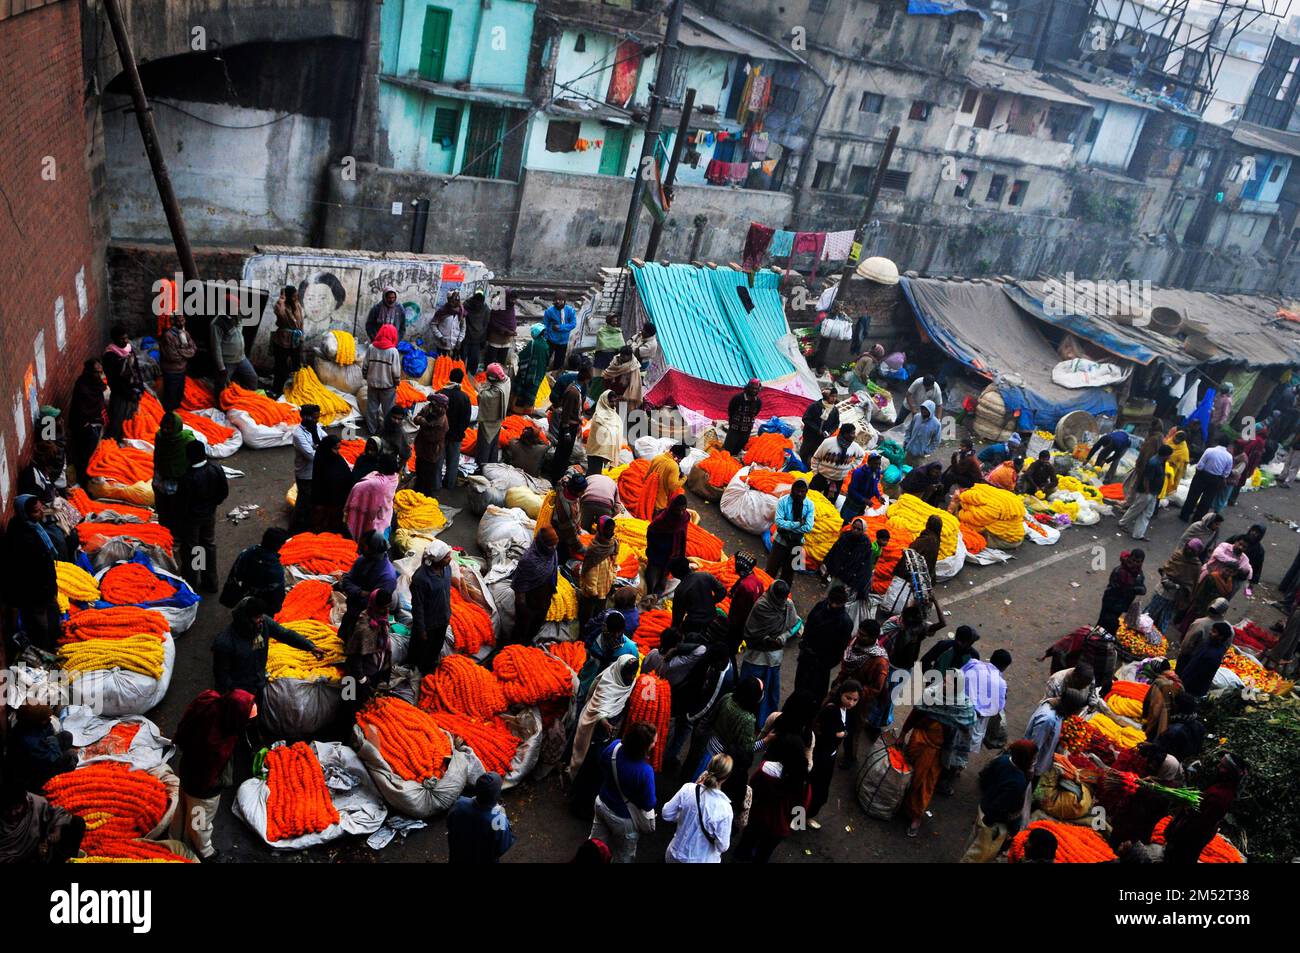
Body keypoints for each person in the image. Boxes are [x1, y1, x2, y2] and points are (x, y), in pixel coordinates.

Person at [171, 688, 257, 861]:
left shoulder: (210, 706)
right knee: (199, 821)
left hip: (187, 771)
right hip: (202, 788)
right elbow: (210, 772)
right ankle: (203, 851)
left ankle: (176, 839)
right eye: (246, 720)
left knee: (183, 808)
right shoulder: (216, 744)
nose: (246, 724)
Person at [213, 596, 324, 697]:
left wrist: (310, 646)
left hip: (258, 684)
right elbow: (221, 675)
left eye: (261, 615)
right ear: (245, 618)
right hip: (240, 693)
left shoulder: (263, 624)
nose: (261, 619)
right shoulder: (225, 643)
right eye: (257, 617)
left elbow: (285, 634)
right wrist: (234, 694)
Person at [735, 734, 811, 862]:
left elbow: (752, 788)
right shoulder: (803, 782)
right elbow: (802, 809)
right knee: (763, 855)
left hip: (757, 817)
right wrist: (793, 825)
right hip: (778, 828)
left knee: (745, 846)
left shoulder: (765, 768)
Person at [568, 656, 639, 793]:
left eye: (633, 674)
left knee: (597, 759)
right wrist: (605, 722)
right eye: (628, 674)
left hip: (608, 728)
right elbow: (598, 704)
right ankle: (576, 780)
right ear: (620, 671)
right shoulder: (608, 681)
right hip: (594, 723)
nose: (631, 677)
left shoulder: (630, 680)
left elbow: (623, 701)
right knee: (586, 753)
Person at [959, 739, 1037, 863]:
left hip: (984, 807)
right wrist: (1011, 827)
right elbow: (1004, 806)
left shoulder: (1003, 760)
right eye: (1033, 758)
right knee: (979, 854)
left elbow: (984, 777)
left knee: (973, 841)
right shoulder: (1018, 781)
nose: (1034, 761)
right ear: (1026, 759)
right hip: (993, 822)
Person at [591, 721, 657, 863]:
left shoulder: (615, 747)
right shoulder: (645, 772)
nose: (654, 744)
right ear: (644, 747)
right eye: (653, 742)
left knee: (594, 848)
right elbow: (649, 803)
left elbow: (602, 763)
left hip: (602, 803)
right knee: (623, 856)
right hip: (623, 820)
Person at [1162, 753, 1243, 864]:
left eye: (1223, 766)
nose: (1218, 766)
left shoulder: (1221, 796)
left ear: (1230, 773)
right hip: (1192, 836)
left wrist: (1187, 811)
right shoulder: (1221, 787)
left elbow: (1200, 823)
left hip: (1189, 838)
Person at [739, 580, 797, 725]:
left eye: (783, 599)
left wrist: (782, 637)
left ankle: (764, 721)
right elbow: (750, 632)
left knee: (770, 691)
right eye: (779, 599)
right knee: (750, 689)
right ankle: (741, 718)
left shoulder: (788, 605)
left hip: (774, 658)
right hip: (756, 656)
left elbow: (795, 624)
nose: (781, 603)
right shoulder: (761, 606)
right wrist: (766, 639)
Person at [175, 441, 228, 593]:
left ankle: (192, 583)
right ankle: (210, 582)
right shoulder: (216, 468)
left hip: (192, 519)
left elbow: (182, 503)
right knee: (208, 545)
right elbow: (223, 492)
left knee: (194, 548)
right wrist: (212, 505)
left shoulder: (187, 478)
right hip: (209, 514)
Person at [662, 754, 734, 863]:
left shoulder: (688, 789)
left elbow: (666, 813)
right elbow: (722, 846)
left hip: (674, 854)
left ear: (708, 767)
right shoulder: (725, 809)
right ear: (726, 777)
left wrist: (684, 817)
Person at [807, 680, 861, 825]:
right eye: (848, 698)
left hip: (829, 755)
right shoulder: (832, 709)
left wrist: (841, 734)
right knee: (811, 788)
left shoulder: (847, 711)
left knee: (820, 790)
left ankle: (806, 816)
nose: (851, 703)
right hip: (819, 755)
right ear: (841, 694)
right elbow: (824, 733)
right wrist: (840, 734)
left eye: (855, 700)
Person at [0, 776, 85, 863]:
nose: (13, 813)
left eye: (17, 808)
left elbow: (57, 813)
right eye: (8, 810)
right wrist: (35, 853)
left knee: (76, 822)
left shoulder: (35, 803)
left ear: (25, 804)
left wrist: (57, 831)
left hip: (43, 849)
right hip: (21, 859)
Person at [794, 585, 854, 700]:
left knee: (815, 695)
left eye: (837, 603)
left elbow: (840, 649)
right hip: (806, 656)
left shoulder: (845, 622)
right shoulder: (820, 607)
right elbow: (809, 625)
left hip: (822, 665)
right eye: (832, 601)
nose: (834, 605)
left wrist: (825, 664)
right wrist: (804, 641)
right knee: (799, 687)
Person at [335, 531, 398, 640]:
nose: (359, 549)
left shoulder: (387, 576)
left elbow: (372, 603)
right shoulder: (362, 560)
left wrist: (355, 592)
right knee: (342, 640)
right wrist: (360, 592)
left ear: (373, 548)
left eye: (364, 546)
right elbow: (347, 580)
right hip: (351, 612)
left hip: (367, 622)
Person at [446, 772, 515, 864]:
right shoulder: (498, 820)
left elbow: (449, 824)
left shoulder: (460, 804)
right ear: (497, 795)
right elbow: (502, 847)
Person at [343, 588, 394, 711]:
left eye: (388, 607)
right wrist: (363, 680)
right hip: (356, 677)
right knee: (349, 705)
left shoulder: (382, 622)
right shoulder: (363, 628)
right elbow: (354, 657)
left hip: (372, 674)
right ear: (375, 605)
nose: (386, 610)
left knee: (365, 707)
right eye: (383, 607)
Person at [1023, 688, 1090, 782]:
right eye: (1076, 711)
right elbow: (1034, 746)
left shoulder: (1057, 709)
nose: (1075, 715)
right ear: (1069, 707)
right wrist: (1030, 769)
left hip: (1041, 762)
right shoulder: (1048, 720)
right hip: (1031, 764)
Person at [409, 540, 453, 674]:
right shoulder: (421, 578)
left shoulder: (447, 569)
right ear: (438, 560)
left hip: (442, 619)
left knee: (435, 649)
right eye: (447, 557)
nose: (450, 559)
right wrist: (421, 630)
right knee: (420, 651)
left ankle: (428, 670)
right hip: (428, 624)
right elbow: (418, 606)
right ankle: (415, 672)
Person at [223, 528, 290, 615]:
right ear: (278, 546)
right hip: (259, 605)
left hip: (241, 595)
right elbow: (277, 596)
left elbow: (235, 574)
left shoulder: (246, 553)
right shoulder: (275, 570)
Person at [511, 529, 559, 647]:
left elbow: (553, 572)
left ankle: (527, 645)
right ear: (543, 544)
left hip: (544, 600)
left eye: (554, 545)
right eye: (550, 545)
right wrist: (522, 608)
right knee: (520, 632)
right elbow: (520, 586)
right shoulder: (528, 560)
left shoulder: (551, 553)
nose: (553, 548)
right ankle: (514, 650)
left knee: (535, 628)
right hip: (528, 604)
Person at [152, 411, 195, 537]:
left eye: (169, 427)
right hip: (161, 477)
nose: (165, 430)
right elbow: (157, 456)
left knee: (177, 510)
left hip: (179, 480)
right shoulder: (159, 436)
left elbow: (193, 462)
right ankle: (165, 534)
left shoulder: (188, 440)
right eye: (164, 426)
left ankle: (177, 535)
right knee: (163, 509)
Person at [1146, 539, 1203, 632]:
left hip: (1175, 596)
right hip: (1162, 590)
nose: (1188, 551)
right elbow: (1166, 568)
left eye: (1192, 550)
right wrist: (1165, 579)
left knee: (1163, 619)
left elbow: (1192, 585)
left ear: (1197, 553)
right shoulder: (1178, 555)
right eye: (1187, 548)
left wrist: (1177, 587)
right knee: (1150, 613)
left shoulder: (1196, 566)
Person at [1118, 444, 1173, 540]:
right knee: (1136, 509)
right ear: (1166, 455)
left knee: (1147, 513)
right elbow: (1146, 479)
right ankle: (1122, 523)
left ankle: (1138, 534)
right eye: (1170, 455)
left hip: (1153, 492)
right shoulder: (1154, 463)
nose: (1170, 457)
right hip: (1146, 492)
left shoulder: (1161, 461)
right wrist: (1147, 492)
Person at [547, 363, 590, 481]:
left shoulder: (577, 387)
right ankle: (556, 477)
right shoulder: (573, 392)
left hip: (570, 424)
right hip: (567, 425)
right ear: (586, 377)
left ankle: (556, 474)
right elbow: (566, 412)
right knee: (562, 453)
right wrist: (566, 430)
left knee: (564, 452)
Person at [767, 478, 815, 584]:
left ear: (806, 492)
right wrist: (798, 524)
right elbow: (779, 522)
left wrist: (788, 526)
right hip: (780, 541)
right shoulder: (783, 501)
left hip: (798, 543)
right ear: (792, 489)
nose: (799, 494)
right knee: (771, 570)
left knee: (789, 575)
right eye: (797, 490)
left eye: (802, 491)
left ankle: (784, 596)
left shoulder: (810, 505)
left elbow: (808, 527)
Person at [344, 453, 400, 544]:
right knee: (381, 540)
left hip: (376, 519)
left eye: (380, 463)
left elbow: (357, 488)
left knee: (374, 542)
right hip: (386, 513)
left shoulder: (378, 483)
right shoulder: (394, 478)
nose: (377, 465)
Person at [102, 324, 144, 439]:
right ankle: (115, 439)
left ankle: (127, 437)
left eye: (126, 338)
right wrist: (128, 393)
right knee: (118, 419)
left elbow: (136, 369)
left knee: (131, 418)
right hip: (120, 392)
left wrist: (140, 386)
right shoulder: (110, 356)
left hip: (133, 389)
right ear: (115, 339)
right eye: (122, 339)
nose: (125, 341)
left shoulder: (129, 349)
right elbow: (114, 380)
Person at [578, 516, 619, 632]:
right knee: (587, 616)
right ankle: (583, 636)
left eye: (612, 529)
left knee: (599, 616)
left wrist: (612, 582)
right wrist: (593, 592)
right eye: (607, 529)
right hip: (592, 593)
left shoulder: (613, 544)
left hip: (604, 589)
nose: (610, 532)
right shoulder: (594, 549)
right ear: (601, 530)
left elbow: (614, 564)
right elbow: (590, 572)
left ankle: (593, 636)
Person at [68, 359, 107, 482]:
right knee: (84, 454)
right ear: (88, 372)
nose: (99, 375)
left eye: (101, 372)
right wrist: (87, 424)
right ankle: (83, 478)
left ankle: (88, 474)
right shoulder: (83, 386)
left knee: (91, 452)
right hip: (84, 426)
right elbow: (81, 409)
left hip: (94, 423)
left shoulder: (94, 382)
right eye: (96, 372)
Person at [1179, 436, 1234, 522]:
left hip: (1202, 475)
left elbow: (1200, 465)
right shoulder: (1229, 457)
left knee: (1193, 496)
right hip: (1216, 479)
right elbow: (1226, 473)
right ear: (1227, 445)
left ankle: (1185, 515)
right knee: (1207, 500)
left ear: (1218, 441)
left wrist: (1199, 472)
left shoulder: (1209, 450)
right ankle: (1197, 519)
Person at [290, 404, 326, 532]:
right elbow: (311, 455)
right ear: (305, 417)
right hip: (305, 474)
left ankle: (306, 525)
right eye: (314, 418)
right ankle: (296, 528)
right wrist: (320, 447)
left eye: (318, 418)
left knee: (309, 502)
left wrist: (318, 446)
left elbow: (326, 440)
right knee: (304, 503)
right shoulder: (298, 435)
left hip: (316, 472)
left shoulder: (316, 427)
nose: (317, 421)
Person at [644, 494, 690, 596]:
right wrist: (657, 548)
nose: (681, 513)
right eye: (678, 510)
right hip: (658, 552)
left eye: (683, 509)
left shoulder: (685, 517)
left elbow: (683, 534)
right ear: (673, 508)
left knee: (664, 574)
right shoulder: (662, 520)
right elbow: (651, 532)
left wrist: (680, 552)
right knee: (652, 575)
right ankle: (649, 593)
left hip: (673, 553)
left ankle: (659, 591)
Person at [669, 557, 726, 636]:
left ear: (675, 574)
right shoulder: (705, 575)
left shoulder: (680, 590)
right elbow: (722, 591)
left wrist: (672, 632)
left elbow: (677, 618)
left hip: (694, 626)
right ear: (688, 565)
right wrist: (710, 602)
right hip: (712, 619)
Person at [309, 435, 354, 534]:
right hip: (325, 500)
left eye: (338, 448)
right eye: (335, 448)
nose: (337, 452)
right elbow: (322, 483)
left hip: (336, 501)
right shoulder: (322, 460)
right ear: (328, 447)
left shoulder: (337, 459)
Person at [810, 424, 864, 505]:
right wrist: (815, 472)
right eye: (852, 433)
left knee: (828, 503)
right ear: (845, 434)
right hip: (821, 477)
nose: (854, 436)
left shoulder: (854, 446)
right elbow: (816, 457)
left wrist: (851, 467)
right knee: (811, 497)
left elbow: (861, 455)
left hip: (837, 481)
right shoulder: (829, 442)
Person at [363, 324, 402, 435]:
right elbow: (396, 371)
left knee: (372, 408)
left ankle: (372, 431)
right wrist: (397, 382)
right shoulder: (393, 351)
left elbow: (365, 366)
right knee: (388, 411)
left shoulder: (371, 348)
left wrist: (367, 377)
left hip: (372, 384)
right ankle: (387, 432)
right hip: (387, 386)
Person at [1178, 621, 1234, 697]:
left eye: (1214, 632)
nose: (1210, 632)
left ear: (1221, 637)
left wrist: (1184, 683)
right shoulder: (1209, 643)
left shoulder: (1214, 655)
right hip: (1187, 679)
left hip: (1193, 687)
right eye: (1212, 630)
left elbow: (1199, 675)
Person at [1097, 549, 1145, 636]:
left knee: (1109, 623)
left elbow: (1141, 584)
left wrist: (1140, 588)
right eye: (1133, 560)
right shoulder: (1119, 571)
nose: (1134, 563)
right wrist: (1135, 589)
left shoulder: (1138, 572)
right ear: (1130, 558)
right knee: (1104, 622)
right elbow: (1120, 589)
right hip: (1111, 602)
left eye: (1138, 562)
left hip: (1122, 604)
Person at [725, 552, 765, 653]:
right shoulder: (757, 581)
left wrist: (730, 623)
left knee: (731, 644)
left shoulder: (745, 586)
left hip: (740, 624)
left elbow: (738, 611)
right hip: (750, 619)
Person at [158, 313, 197, 412]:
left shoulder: (185, 333)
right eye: (178, 320)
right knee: (170, 399)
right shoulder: (168, 336)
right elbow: (172, 356)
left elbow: (193, 349)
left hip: (181, 371)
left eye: (183, 320)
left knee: (179, 396)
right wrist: (185, 353)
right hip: (171, 372)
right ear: (173, 322)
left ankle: (176, 416)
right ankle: (169, 416)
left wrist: (180, 351)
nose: (181, 322)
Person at [209, 311, 258, 392]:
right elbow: (216, 347)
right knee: (222, 387)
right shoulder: (217, 323)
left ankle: (245, 399)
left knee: (252, 379)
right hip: (227, 361)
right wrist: (221, 368)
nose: (238, 310)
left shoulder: (238, 316)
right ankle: (219, 402)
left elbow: (248, 315)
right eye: (235, 308)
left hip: (241, 358)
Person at [1120, 421, 1165, 504]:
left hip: (1144, 466)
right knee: (1134, 485)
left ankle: (1129, 504)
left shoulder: (1153, 439)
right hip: (1148, 466)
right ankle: (1129, 503)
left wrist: (1140, 467)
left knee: (1135, 485)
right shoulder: (1160, 437)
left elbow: (1147, 454)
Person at [271, 285, 305, 396]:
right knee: (280, 367)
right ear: (288, 297)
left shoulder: (297, 305)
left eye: (296, 296)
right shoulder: (281, 306)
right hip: (282, 341)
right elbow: (279, 312)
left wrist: (301, 337)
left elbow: (301, 322)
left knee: (296, 366)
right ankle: (277, 390)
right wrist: (282, 299)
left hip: (296, 340)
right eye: (293, 296)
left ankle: (296, 389)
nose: (296, 298)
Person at [413, 394, 449, 494]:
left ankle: (426, 495)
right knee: (419, 471)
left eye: (435, 405)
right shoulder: (428, 408)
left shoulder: (442, 421)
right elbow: (416, 419)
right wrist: (421, 420)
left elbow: (433, 438)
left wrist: (424, 426)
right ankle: (418, 491)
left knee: (428, 476)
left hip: (432, 451)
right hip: (421, 448)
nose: (432, 406)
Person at [639, 444, 686, 520]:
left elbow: (646, 477)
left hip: (646, 500)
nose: (680, 461)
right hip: (658, 505)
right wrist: (684, 478)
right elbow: (673, 487)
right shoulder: (674, 466)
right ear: (679, 457)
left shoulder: (657, 457)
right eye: (681, 459)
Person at [475, 363, 510, 466]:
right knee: (494, 444)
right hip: (497, 420)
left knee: (484, 446)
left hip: (488, 422)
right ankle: (492, 464)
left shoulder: (496, 392)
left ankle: (482, 468)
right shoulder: (507, 381)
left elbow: (482, 397)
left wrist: (480, 389)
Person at [442, 369, 473, 487]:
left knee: (439, 459)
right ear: (462, 380)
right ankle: (450, 484)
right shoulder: (465, 397)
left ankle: (435, 485)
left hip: (442, 434)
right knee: (453, 462)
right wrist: (461, 430)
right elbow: (466, 418)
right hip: (457, 435)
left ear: (449, 377)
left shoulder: (442, 393)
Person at [584, 390, 623, 475]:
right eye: (611, 401)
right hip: (596, 452)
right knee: (593, 473)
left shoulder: (614, 416)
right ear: (605, 401)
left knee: (597, 474)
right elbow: (603, 434)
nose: (613, 404)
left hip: (605, 452)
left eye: (614, 401)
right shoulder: (598, 416)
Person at [800, 388, 841, 469]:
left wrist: (829, 432)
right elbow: (805, 418)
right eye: (832, 396)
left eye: (835, 397)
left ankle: (809, 470)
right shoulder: (815, 406)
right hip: (809, 436)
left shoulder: (834, 411)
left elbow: (836, 424)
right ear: (826, 396)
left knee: (815, 457)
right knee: (804, 454)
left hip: (821, 439)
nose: (834, 399)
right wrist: (817, 429)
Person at [513, 324, 549, 411]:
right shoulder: (546, 345)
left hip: (529, 372)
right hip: (539, 374)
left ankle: (515, 407)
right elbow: (547, 360)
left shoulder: (533, 343)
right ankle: (528, 408)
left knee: (519, 387)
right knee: (532, 391)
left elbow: (523, 355)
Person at [1227, 427, 1267, 506]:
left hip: (1245, 462)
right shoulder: (1261, 442)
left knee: (1236, 480)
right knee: (1239, 481)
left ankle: (1229, 499)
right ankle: (1231, 499)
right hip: (1249, 464)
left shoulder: (1255, 439)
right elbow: (1256, 456)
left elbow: (1248, 449)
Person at [723, 379, 763, 455]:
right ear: (748, 387)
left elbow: (755, 413)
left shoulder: (758, 402)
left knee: (738, 449)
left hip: (746, 430)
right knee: (727, 449)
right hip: (734, 428)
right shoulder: (738, 398)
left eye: (756, 389)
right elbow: (731, 410)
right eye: (752, 388)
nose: (754, 390)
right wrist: (732, 423)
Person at [1225, 524, 1267, 594]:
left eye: (1257, 533)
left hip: (1238, 577)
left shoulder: (1259, 550)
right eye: (1253, 530)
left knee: (1227, 594)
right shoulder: (1238, 538)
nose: (1254, 533)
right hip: (1225, 569)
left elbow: (1257, 567)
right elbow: (1224, 546)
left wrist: (1252, 582)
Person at [841, 453, 883, 521]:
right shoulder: (858, 473)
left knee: (855, 521)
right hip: (853, 502)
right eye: (875, 464)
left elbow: (874, 486)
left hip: (863, 504)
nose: (878, 466)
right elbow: (852, 490)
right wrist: (864, 499)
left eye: (879, 464)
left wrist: (878, 496)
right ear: (869, 463)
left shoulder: (876, 472)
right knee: (845, 520)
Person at [484, 291, 518, 371]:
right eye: (512, 299)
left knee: (501, 363)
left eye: (514, 300)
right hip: (496, 338)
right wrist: (505, 330)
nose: (513, 302)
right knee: (491, 362)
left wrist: (511, 331)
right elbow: (493, 321)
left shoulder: (510, 307)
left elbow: (510, 319)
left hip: (506, 340)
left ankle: (498, 377)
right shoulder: (498, 305)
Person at [542, 293, 577, 369]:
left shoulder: (570, 310)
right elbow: (545, 325)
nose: (558, 302)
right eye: (556, 300)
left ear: (564, 301)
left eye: (560, 300)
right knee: (545, 360)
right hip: (551, 340)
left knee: (559, 363)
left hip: (563, 341)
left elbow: (573, 324)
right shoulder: (549, 311)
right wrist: (545, 338)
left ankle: (555, 377)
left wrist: (560, 327)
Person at [903, 399, 941, 466]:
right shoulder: (917, 417)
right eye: (922, 408)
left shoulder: (936, 424)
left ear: (931, 410)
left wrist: (926, 451)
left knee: (917, 472)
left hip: (920, 454)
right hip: (909, 450)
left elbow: (936, 441)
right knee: (905, 468)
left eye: (926, 409)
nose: (923, 411)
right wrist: (907, 441)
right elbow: (909, 429)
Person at [460, 291, 491, 374]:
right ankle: (460, 376)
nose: (478, 305)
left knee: (474, 360)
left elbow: (486, 325)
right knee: (461, 359)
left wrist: (484, 339)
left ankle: (470, 377)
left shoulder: (485, 309)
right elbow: (460, 321)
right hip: (465, 337)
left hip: (477, 339)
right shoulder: (466, 306)